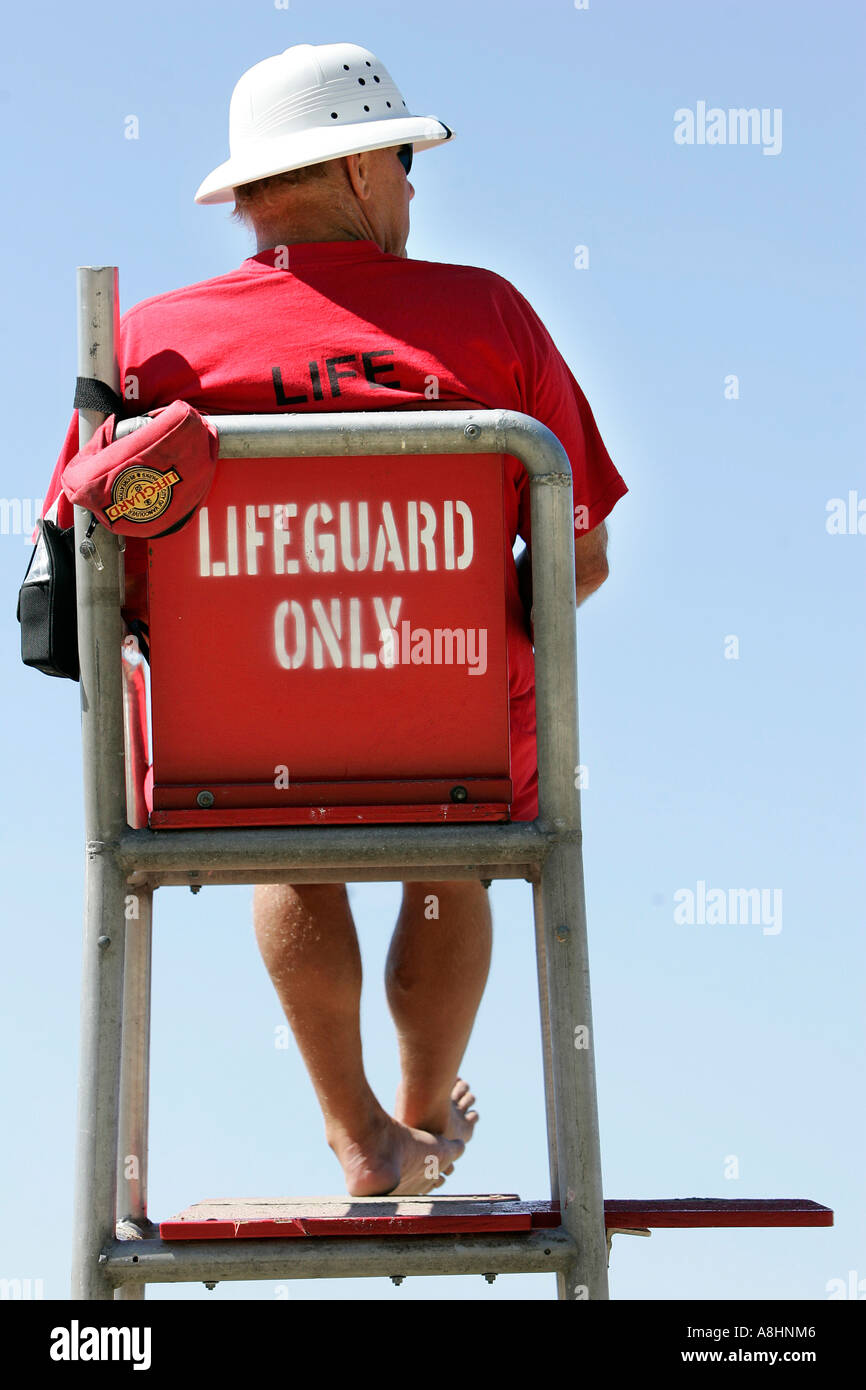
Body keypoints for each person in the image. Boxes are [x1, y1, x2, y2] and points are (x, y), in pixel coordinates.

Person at [38, 42, 627, 1198]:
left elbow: (84, 583)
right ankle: (418, 1114)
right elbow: (582, 555)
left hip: (235, 753)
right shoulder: (486, 315)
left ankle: (356, 1128)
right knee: (448, 851)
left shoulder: (153, 345)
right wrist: (446, 633)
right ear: (360, 168)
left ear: (254, 194)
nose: (412, 187)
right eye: (406, 162)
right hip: (449, 732)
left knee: (279, 797)